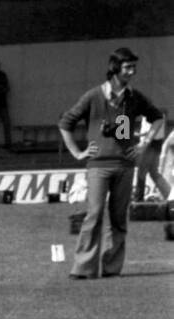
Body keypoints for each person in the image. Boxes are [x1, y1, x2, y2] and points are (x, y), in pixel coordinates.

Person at [59, 47, 165, 279]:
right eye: (128, 67)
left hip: (125, 166)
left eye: (134, 67)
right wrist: (78, 152)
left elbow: (157, 118)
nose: (132, 71)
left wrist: (144, 142)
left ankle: (112, 268)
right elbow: (65, 123)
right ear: (114, 68)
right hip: (98, 166)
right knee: (94, 215)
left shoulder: (134, 98)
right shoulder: (93, 96)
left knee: (119, 219)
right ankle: (84, 268)